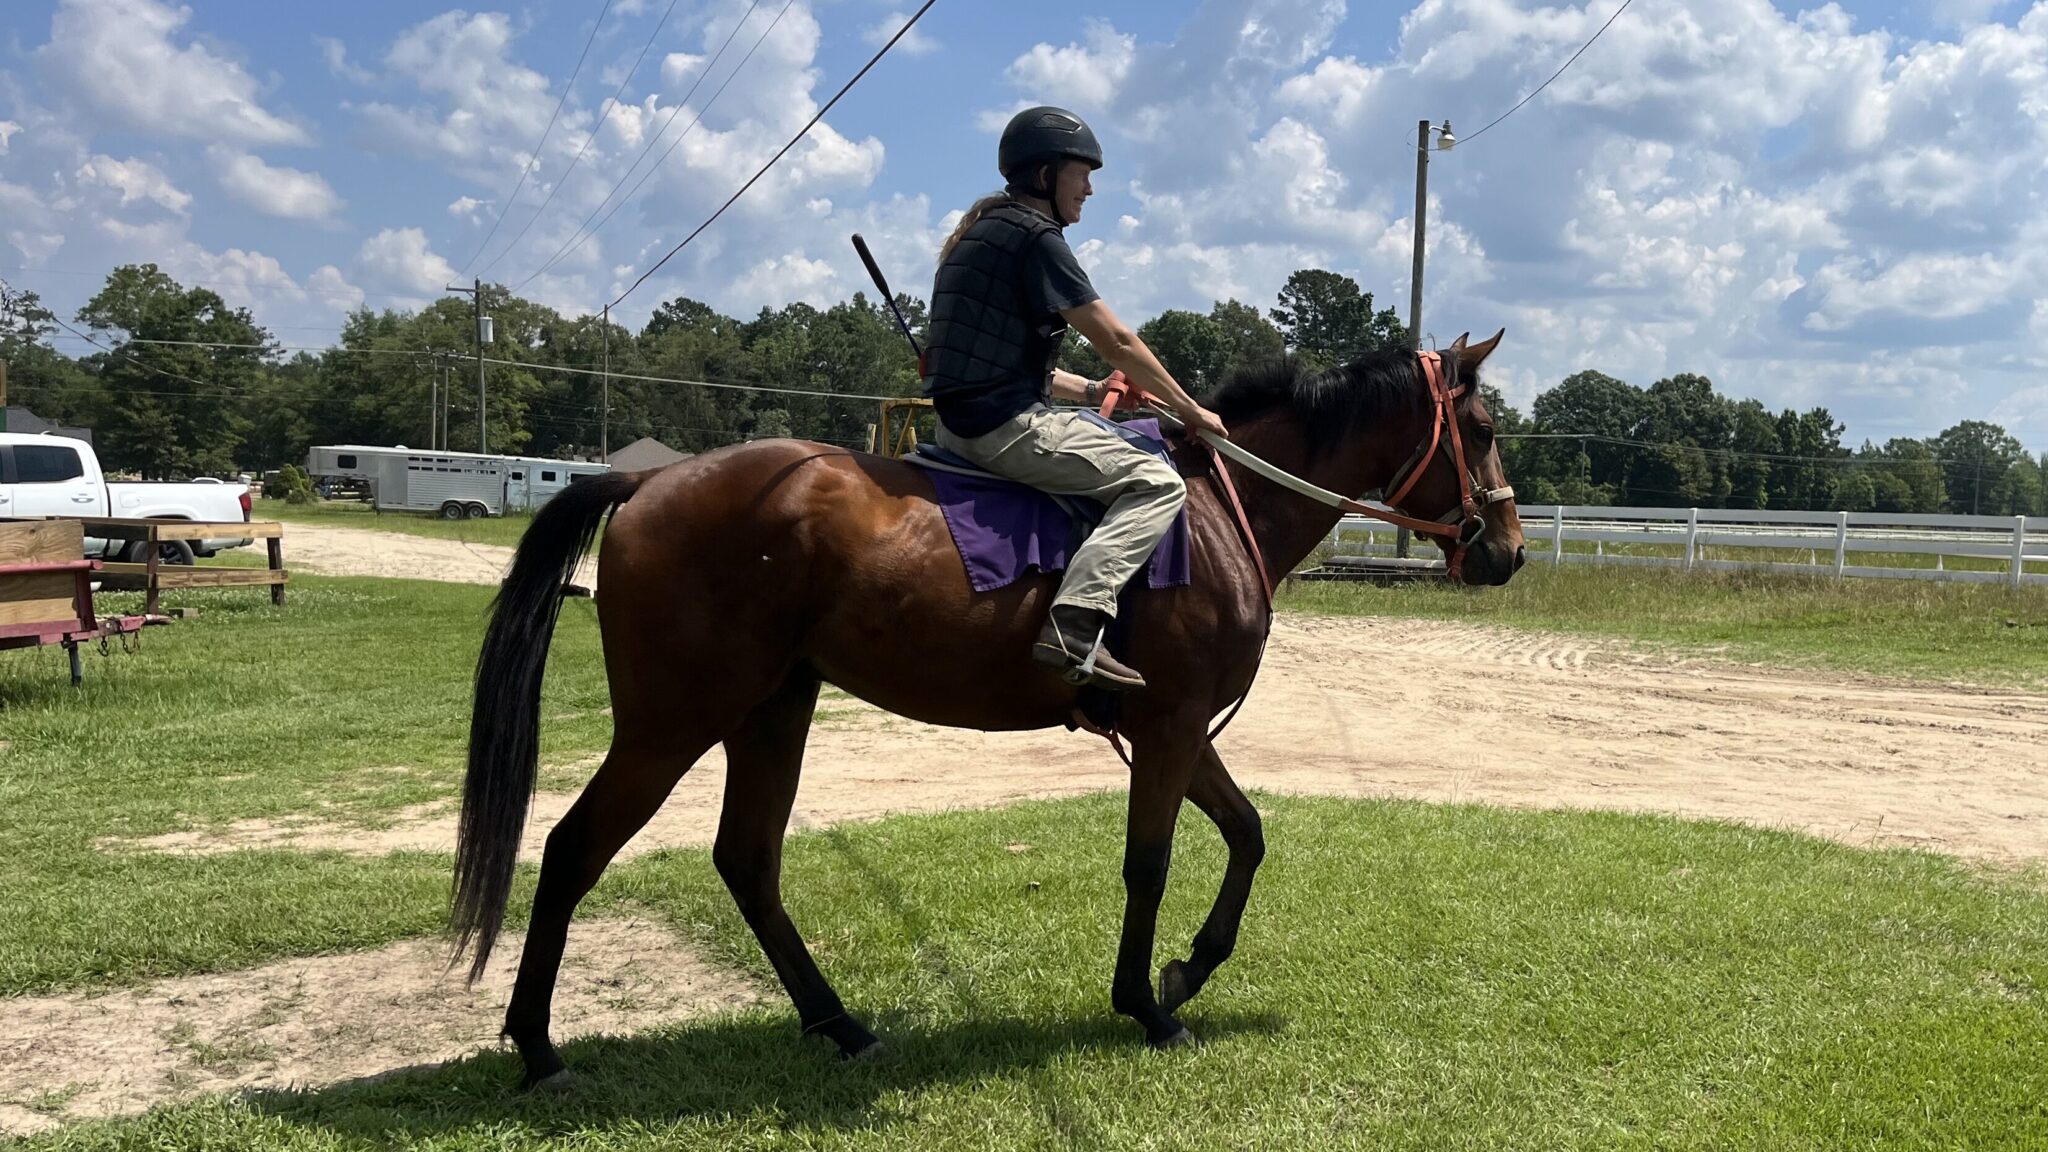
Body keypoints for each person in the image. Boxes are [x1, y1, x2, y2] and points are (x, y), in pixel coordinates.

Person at [923, 106, 1230, 692]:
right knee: (1158, 482)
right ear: (1044, 175)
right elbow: (1116, 338)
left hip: (959, 428)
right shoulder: (1037, 239)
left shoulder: (979, 233)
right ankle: (1076, 623)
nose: (1089, 188)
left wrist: (1092, 391)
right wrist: (1190, 409)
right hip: (1004, 428)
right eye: (1080, 173)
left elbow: (1009, 363)